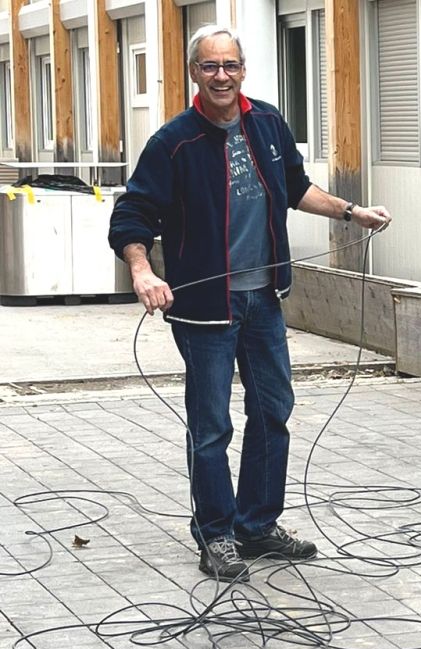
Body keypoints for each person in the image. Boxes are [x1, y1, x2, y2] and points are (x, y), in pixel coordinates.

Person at [108, 25, 391, 582]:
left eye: (230, 65)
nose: (221, 76)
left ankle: (256, 526)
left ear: (243, 70)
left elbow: (294, 186)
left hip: (263, 300)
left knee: (272, 413)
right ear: (194, 72)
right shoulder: (174, 142)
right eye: (210, 66)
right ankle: (216, 536)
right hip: (206, 309)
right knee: (211, 427)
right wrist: (142, 271)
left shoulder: (266, 123)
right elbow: (131, 214)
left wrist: (349, 212)